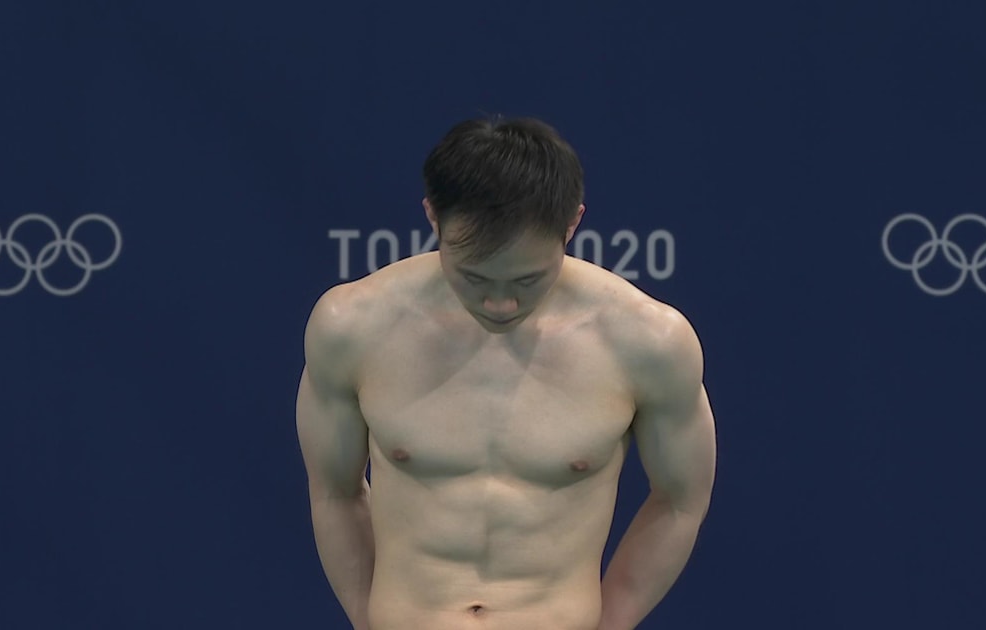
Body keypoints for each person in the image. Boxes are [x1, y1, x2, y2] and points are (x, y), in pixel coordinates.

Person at [296, 116, 717, 630]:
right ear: (433, 219)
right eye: (473, 276)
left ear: (572, 226)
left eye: (527, 278)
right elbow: (334, 492)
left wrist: (615, 621)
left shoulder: (648, 342)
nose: (500, 303)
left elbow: (681, 501)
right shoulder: (352, 327)